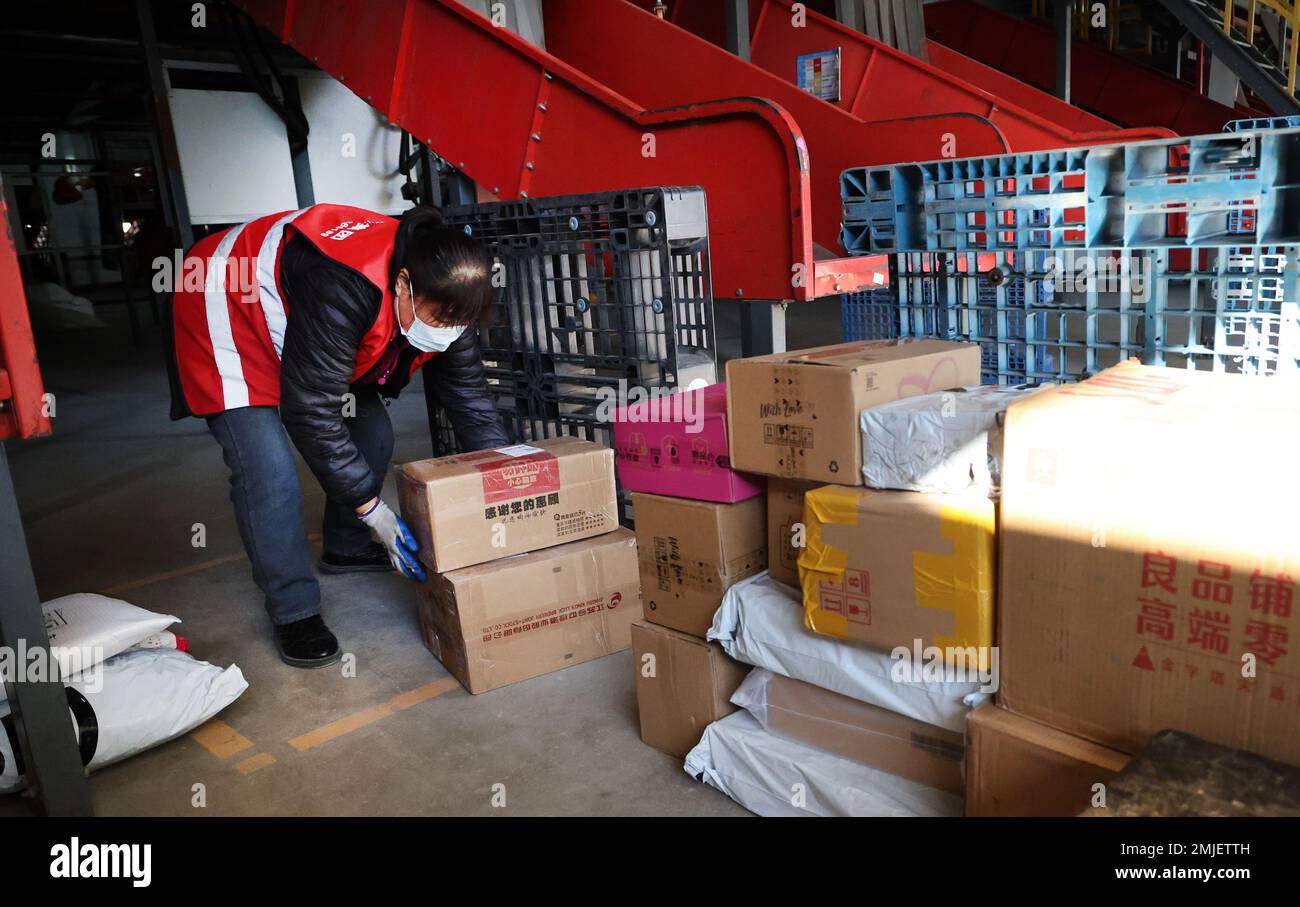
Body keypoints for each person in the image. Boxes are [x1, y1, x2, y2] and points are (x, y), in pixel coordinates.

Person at [167, 204, 509, 668]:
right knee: (268, 471)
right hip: (228, 301)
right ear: (403, 284)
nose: (447, 332)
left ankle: (345, 547)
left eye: (458, 323)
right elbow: (311, 411)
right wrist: (374, 510)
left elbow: (469, 394)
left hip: (302, 320)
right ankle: (294, 610)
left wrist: (506, 478)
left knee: (372, 434)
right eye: (439, 318)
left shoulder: (452, 296)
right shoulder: (347, 286)